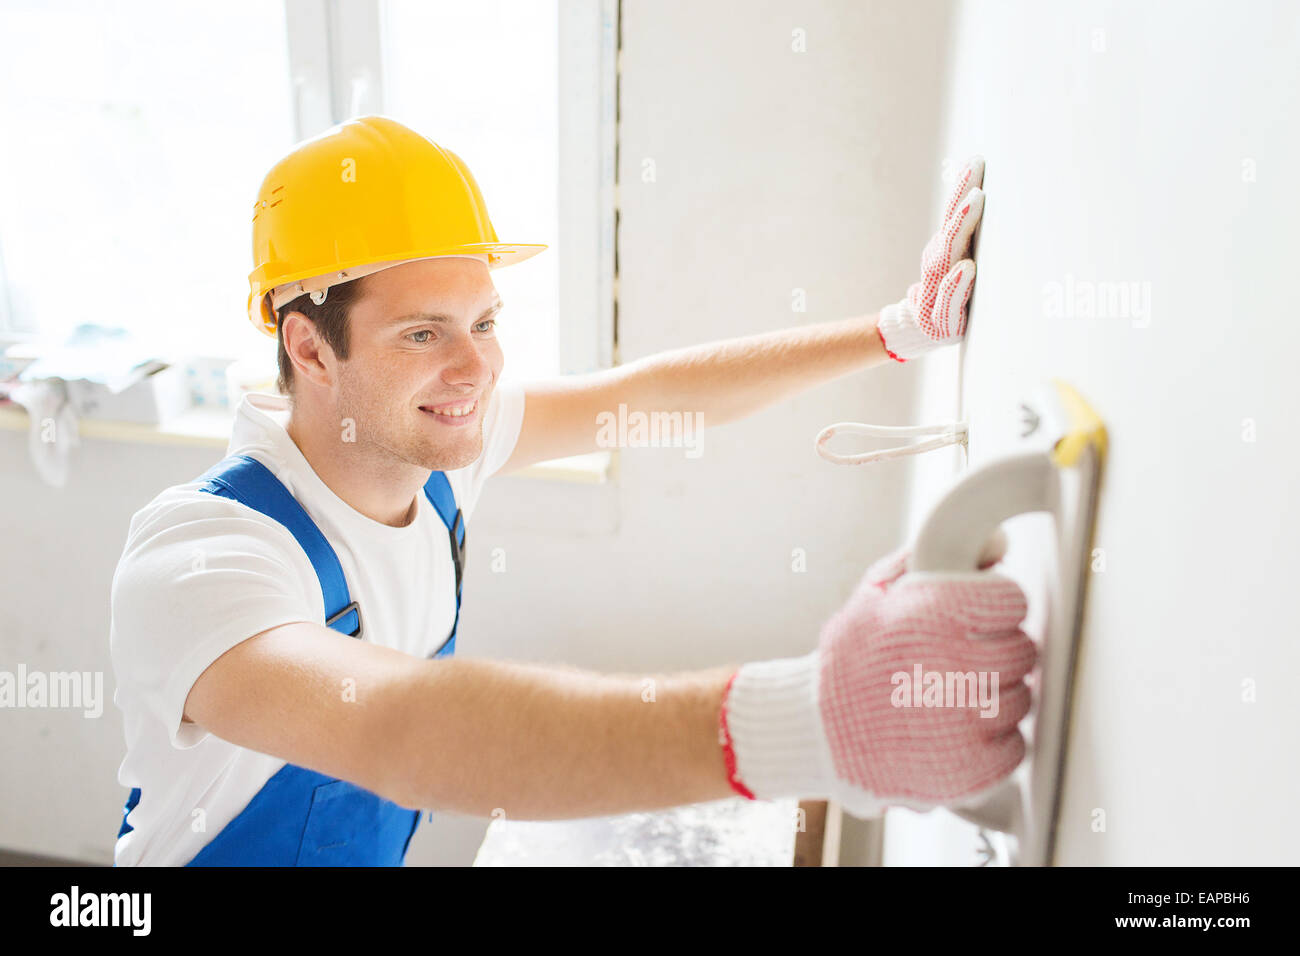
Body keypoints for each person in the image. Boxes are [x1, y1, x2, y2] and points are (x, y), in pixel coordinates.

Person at [109, 115, 1034, 866]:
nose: (477, 367)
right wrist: (809, 718)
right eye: (423, 335)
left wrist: (895, 331)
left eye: (484, 320)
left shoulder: (442, 453)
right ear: (309, 347)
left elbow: (646, 397)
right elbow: (397, 729)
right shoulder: (205, 556)